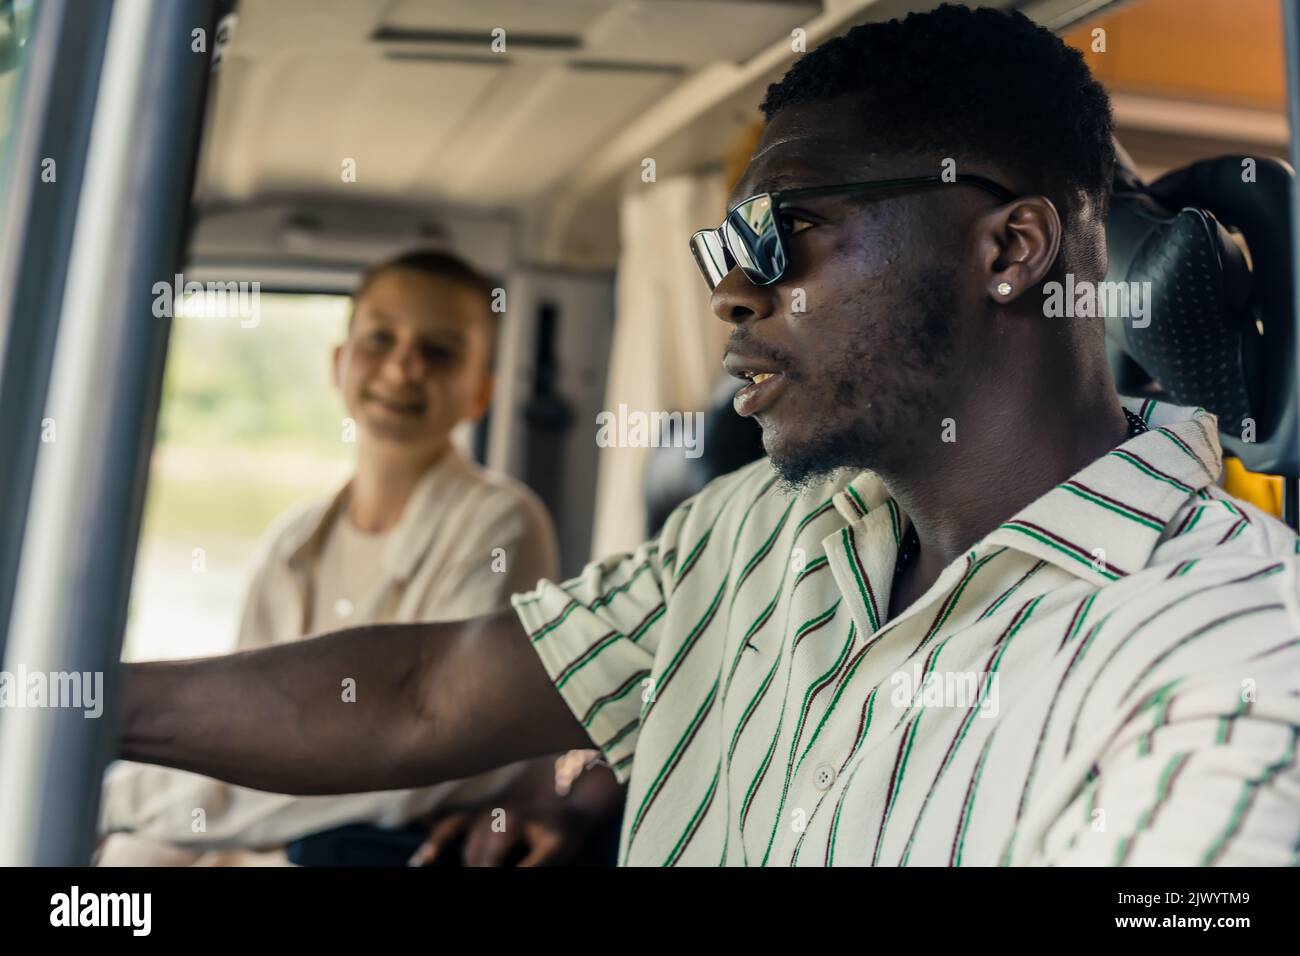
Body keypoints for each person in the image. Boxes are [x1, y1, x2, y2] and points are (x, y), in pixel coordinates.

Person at [116, 5, 1300, 866]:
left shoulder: (1231, 654)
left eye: (788, 229)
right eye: (718, 248)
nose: (732, 289)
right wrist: (77, 702)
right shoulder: (750, 533)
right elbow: (421, 695)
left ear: (1008, 249)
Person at [100, 249, 602, 866]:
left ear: (480, 392)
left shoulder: (501, 521)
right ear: (339, 365)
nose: (403, 366)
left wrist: (119, 799)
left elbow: (428, 751)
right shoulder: (293, 541)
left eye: (440, 351)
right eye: (380, 339)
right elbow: (232, 728)